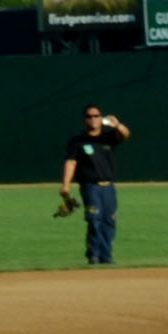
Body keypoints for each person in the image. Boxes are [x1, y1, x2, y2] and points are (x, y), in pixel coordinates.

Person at [60, 104, 132, 265]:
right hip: (90, 186)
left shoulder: (109, 137)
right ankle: (93, 254)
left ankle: (106, 256)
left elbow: (126, 135)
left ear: (101, 118)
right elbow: (71, 162)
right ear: (84, 119)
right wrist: (65, 185)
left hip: (108, 187)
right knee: (94, 218)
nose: (93, 119)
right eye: (89, 116)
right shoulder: (77, 141)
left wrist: (117, 124)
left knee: (109, 220)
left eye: (96, 115)